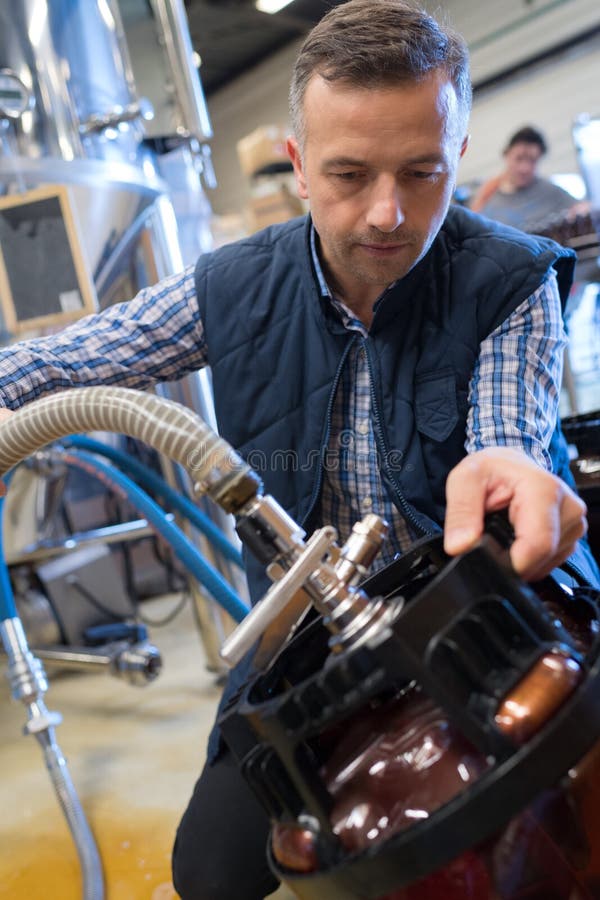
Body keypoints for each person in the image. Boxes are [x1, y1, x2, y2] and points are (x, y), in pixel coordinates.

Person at [0, 1, 597, 897]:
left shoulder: (509, 280)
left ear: (458, 153)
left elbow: (506, 435)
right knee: (209, 870)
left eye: (423, 173)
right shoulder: (234, 286)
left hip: (488, 618)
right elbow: (63, 363)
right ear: (298, 165)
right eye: (349, 174)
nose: (388, 213)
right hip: (310, 658)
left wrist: (513, 469)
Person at [470, 125, 583, 232]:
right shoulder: (486, 194)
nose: (525, 168)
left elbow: (582, 209)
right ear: (506, 155)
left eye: (532, 160)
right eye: (519, 159)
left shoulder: (550, 192)